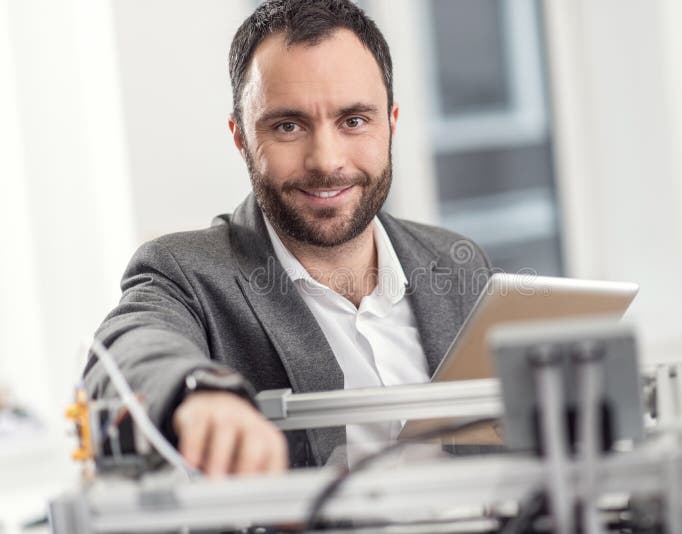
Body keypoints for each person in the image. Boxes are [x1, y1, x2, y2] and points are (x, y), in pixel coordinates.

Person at [84, 0, 491, 475]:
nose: (326, 160)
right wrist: (195, 392)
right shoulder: (184, 274)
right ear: (241, 140)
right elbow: (126, 351)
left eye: (354, 120)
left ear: (391, 124)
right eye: (289, 126)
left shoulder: (459, 264)